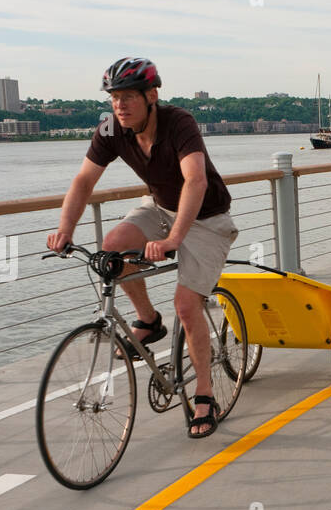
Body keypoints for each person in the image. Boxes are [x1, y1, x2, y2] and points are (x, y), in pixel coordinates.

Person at [48, 57, 239, 439]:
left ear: (151, 96)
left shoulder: (178, 122)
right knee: (113, 248)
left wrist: (172, 241)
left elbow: (196, 182)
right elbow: (84, 180)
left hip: (207, 218)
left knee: (187, 304)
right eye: (114, 97)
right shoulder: (110, 129)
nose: (120, 105)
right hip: (161, 208)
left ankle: (204, 394)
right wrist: (65, 229)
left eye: (129, 97)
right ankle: (149, 321)